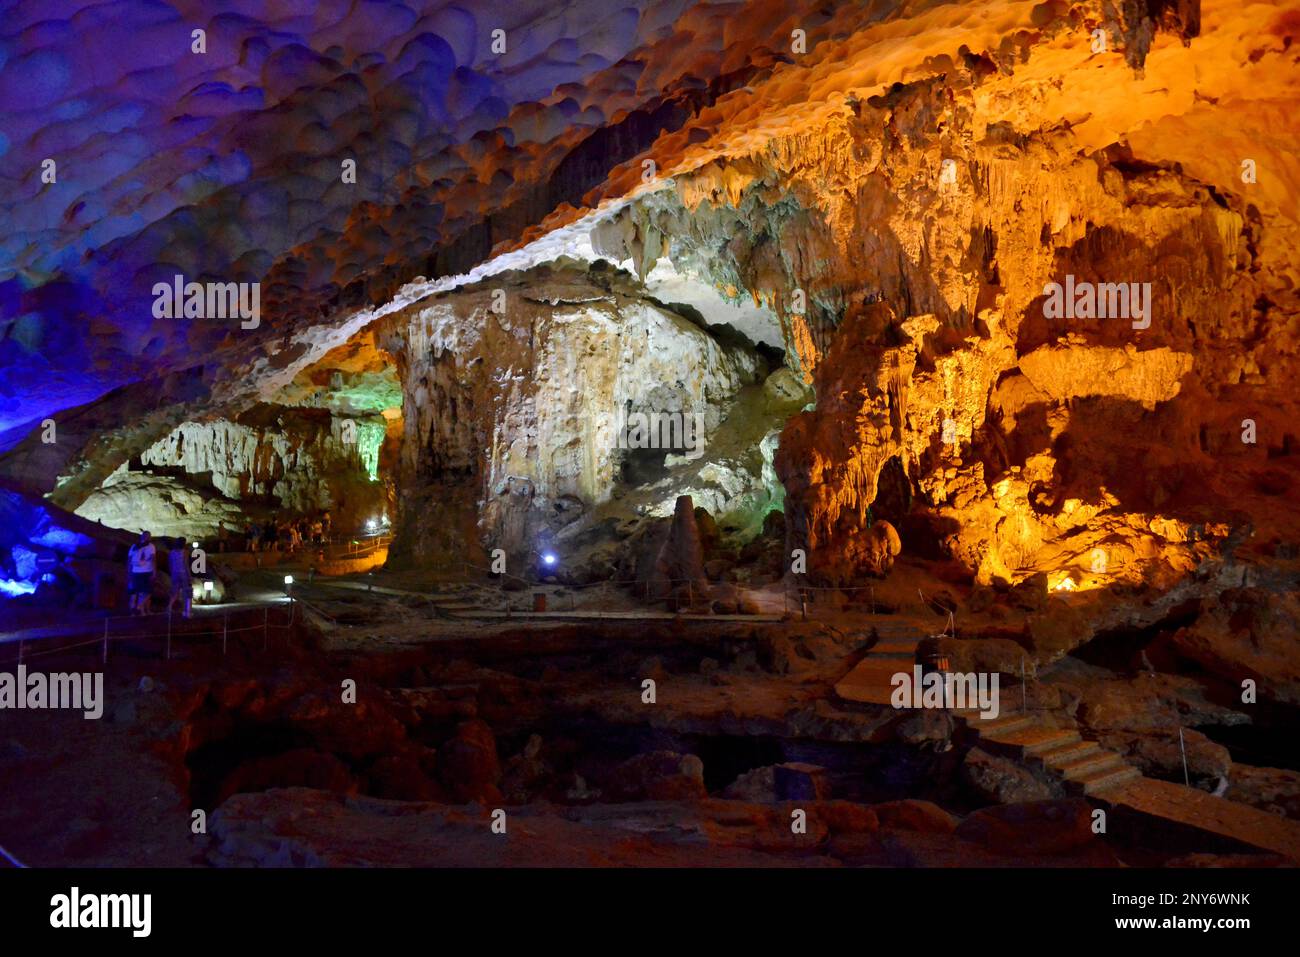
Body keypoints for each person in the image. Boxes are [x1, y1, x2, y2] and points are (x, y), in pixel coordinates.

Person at [126, 530, 157, 615]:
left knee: (134, 593)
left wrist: (129, 572)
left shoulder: (134, 546)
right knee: (147, 592)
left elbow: (129, 560)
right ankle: (140, 607)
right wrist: (154, 571)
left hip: (135, 572)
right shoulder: (151, 546)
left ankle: (135, 612)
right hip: (146, 571)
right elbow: (153, 559)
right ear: (149, 537)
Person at [167, 538, 192, 619]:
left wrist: (172, 574)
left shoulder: (171, 552)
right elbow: (186, 564)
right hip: (183, 573)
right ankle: (186, 612)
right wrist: (189, 576)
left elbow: (170, 564)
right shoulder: (185, 551)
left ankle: (169, 608)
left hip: (174, 574)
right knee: (187, 593)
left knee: (175, 593)